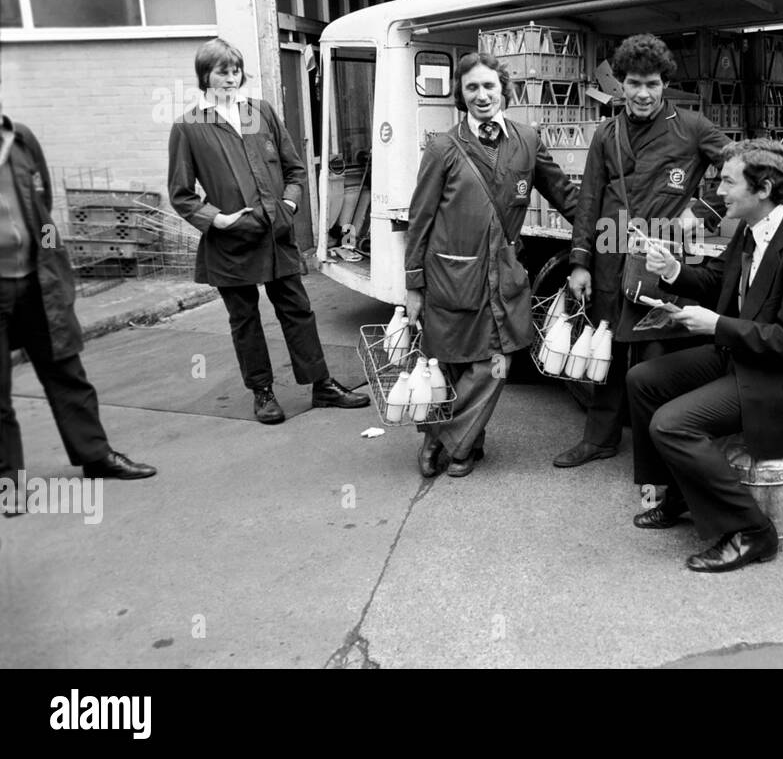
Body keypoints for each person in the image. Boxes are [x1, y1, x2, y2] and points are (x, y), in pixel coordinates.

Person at [626, 139, 783, 573]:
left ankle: (751, 531)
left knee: (672, 425)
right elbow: (717, 283)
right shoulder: (749, 229)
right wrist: (672, 269)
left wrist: (716, 326)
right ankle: (682, 497)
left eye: (728, 181)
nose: (717, 190)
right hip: (743, 357)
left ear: (762, 189)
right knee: (642, 381)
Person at [553, 33, 730, 470]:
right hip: (611, 255)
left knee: (658, 353)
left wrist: (703, 209)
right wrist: (579, 262)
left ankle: (663, 449)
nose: (643, 93)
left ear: (664, 83)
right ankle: (599, 439)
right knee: (606, 347)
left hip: (662, 256)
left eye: (652, 84)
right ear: (621, 84)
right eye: (634, 83)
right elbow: (589, 200)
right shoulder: (606, 133)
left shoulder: (692, 127)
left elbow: (746, 166)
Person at [168, 38, 368, 424]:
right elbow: (181, 194)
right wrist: (216, 220)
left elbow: (295, 169)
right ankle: (262, 392)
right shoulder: (189, 127)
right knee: (244, 320)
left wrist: (290, 204)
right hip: (230, 241)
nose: (230, 78)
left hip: (275, 236)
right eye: (221, 71)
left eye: (235, 71)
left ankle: (321, 384)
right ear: (205, 77)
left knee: (298, 310)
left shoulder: (261, 113)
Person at [406, 52, 578, 478]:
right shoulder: (443, 147)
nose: (481, 95)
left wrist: (614, 227)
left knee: (493, 366)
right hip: (451, 274)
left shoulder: (527, 140)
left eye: (489, 86)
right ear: (461, 97)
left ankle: (444, 441)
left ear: (505, 89)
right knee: (454, 364)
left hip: (504, 276)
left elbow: (566, 195)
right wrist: (413, 285)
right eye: (472, 88)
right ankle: (465, 442)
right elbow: (420, 218)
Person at [1, 100, 156, 515]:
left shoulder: (21, 139)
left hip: (37, 282)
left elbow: (43, 207)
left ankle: (96, 456)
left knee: (67, 372)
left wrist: (56, 264)